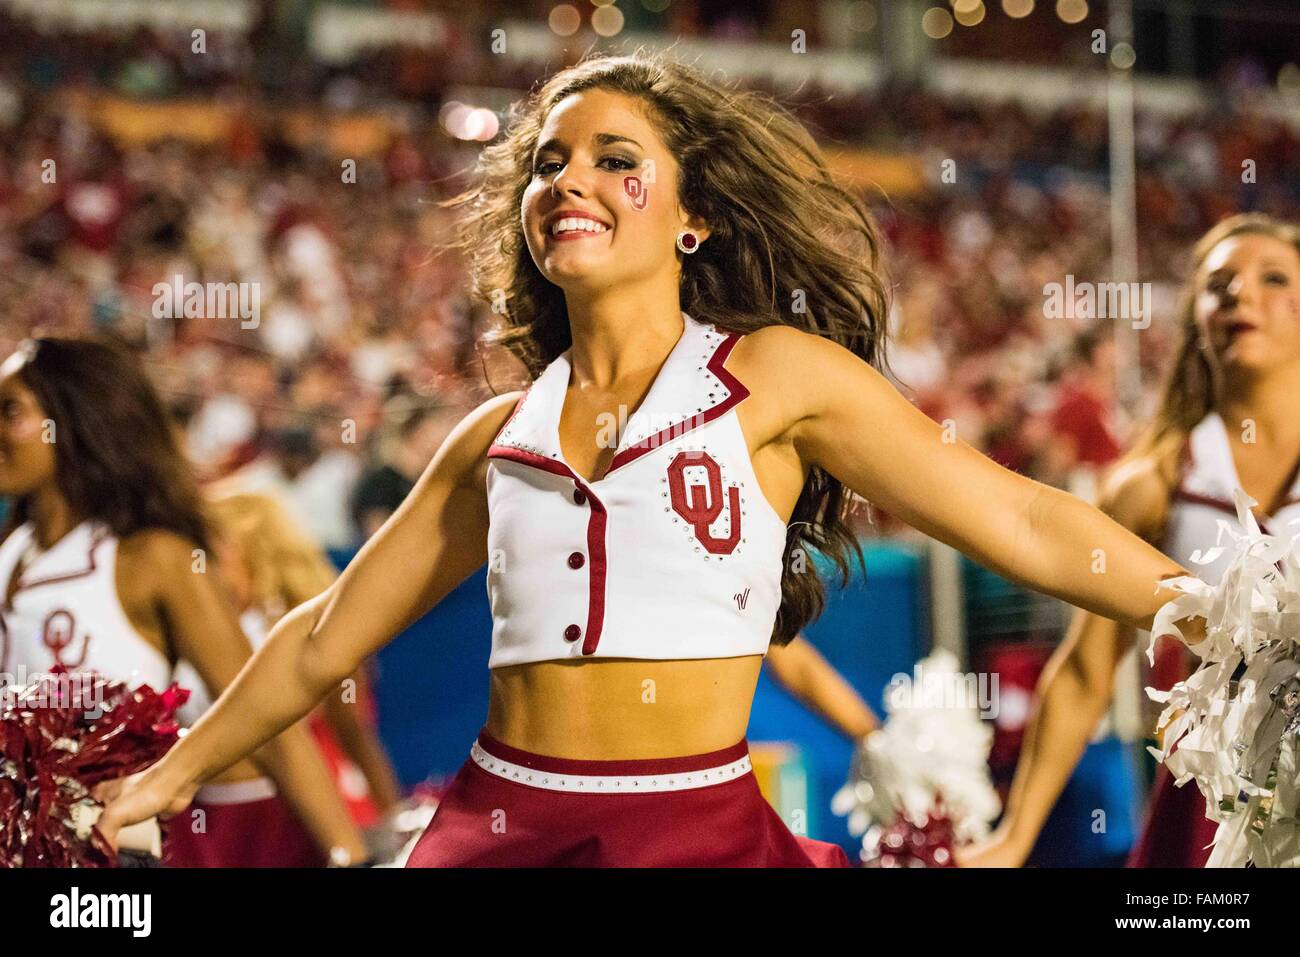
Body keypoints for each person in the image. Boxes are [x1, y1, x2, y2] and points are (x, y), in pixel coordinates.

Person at [98, 53, 1202, 868]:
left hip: (697, 831)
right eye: (547, 165)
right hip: (494, 829)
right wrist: (172, 773)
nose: (567, 182)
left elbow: (1023, 523)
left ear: (694, 219)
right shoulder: (493, 441)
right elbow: (324, 634)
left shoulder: (777, 378)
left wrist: (1215, 606)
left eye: (615, 161)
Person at [959, 213, 1300, 868]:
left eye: (1273, 277)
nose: (1240, 295)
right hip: (1208, 801)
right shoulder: (1152, 484)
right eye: (1219, 283)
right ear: (1197, 314)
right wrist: (1014, 836)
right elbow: (1086, 670)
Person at [0, 334, 368, 867]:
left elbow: (263, 716)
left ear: (75, 417)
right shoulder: (11, 555)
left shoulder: (152, 557)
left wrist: (347, 854)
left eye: (11, 411)